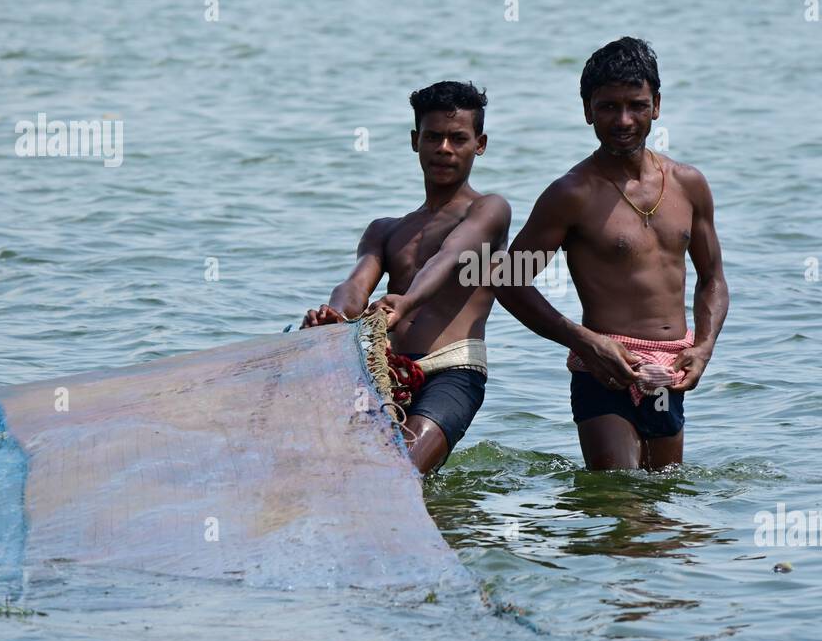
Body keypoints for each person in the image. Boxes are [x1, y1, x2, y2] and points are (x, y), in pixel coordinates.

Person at [495, 37, 728, 470]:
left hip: (669, 371)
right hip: (603, 369)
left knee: (663, 509)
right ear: (587, 111)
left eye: (636, 105)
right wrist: (584, 341)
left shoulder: (688, 184)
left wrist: (704, 346)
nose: (623, 120)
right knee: (622, 501)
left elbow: (712, 278)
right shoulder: (573, 194)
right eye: (607, 107)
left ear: (656, 105)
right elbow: (507, 281)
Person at [301, 81, 510, 474]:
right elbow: (354, 286)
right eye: (433, 137)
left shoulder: (488, 210)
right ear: (415, 141)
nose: (444, 148)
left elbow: (450, 256)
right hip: (388, 372)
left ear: (479, 144)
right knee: (347, 470)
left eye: (457, 138)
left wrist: (407, 300)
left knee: (399, 472)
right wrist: (334, 315)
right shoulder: (384, 229)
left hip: (454, 371)